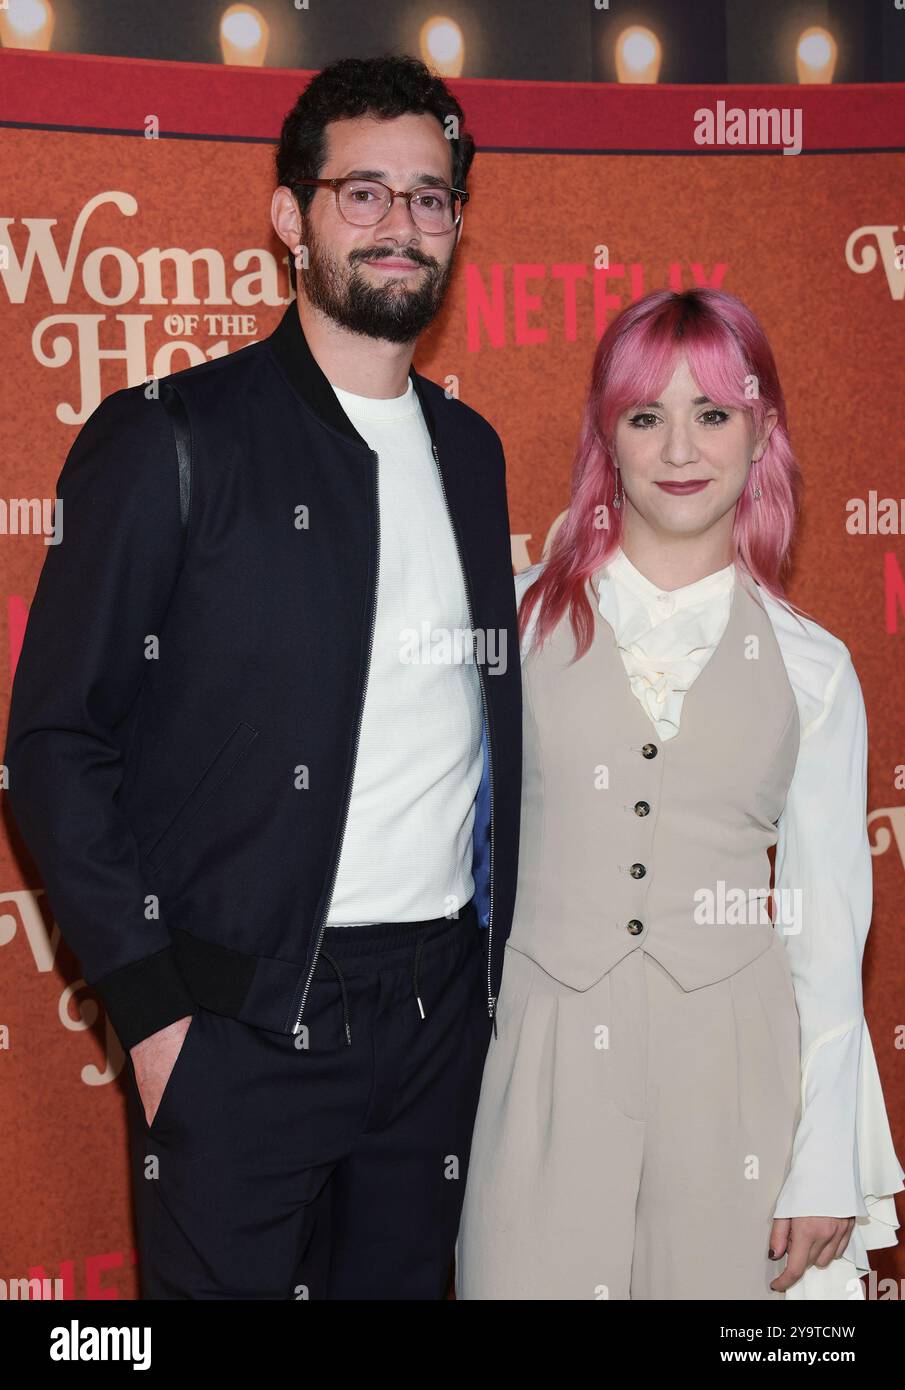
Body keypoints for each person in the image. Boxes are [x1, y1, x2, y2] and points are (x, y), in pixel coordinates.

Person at [4, 54, 522, 1300]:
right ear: (289, 219)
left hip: (437, 1021)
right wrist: (158, 1018)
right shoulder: (165, 439)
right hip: (240, 1031)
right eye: (364, 194)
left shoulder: (470, 453)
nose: (401, 225)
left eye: (430, 197)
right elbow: (56, 744)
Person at [455, 287, 904, 1300]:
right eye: (643, 415)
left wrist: (824, 1156)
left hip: (734, 1082)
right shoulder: (510, 625)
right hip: (540, 1072)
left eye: (712, 413)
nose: (677, 447)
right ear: (604, 437)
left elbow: (826, 932)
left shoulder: (815, 668)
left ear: (761, 432)